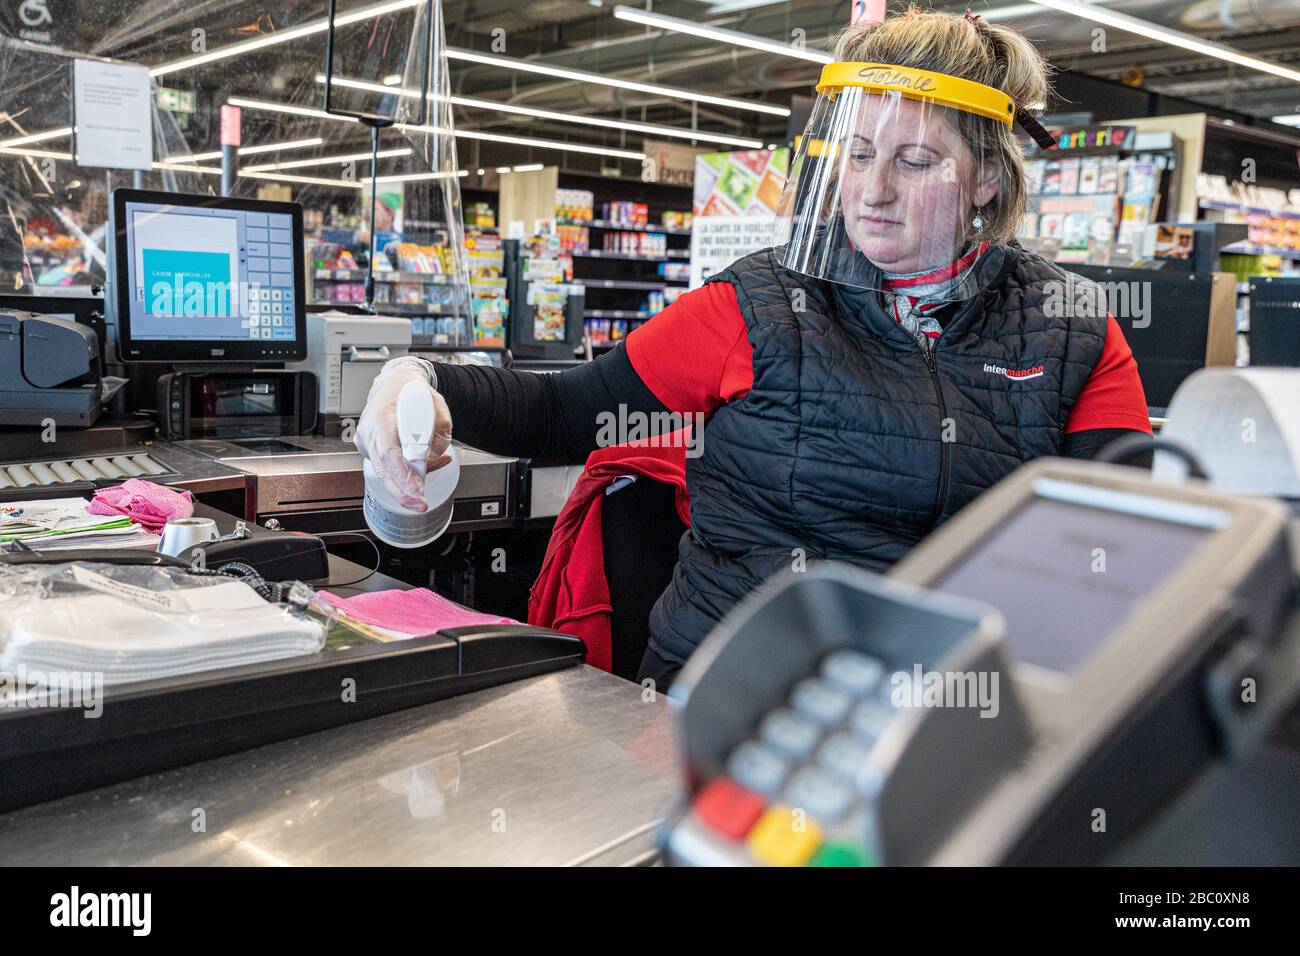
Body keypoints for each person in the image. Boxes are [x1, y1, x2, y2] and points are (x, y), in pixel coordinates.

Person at [357, 8, 1151, 690]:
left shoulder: (1072, 325)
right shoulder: (760, 305)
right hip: (734, 700)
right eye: (858, 155)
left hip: (954, 718)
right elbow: (565, 415)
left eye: (915, 161)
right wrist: (419, 381)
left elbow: (1127, 544)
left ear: (986, 180)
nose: (872, 192)